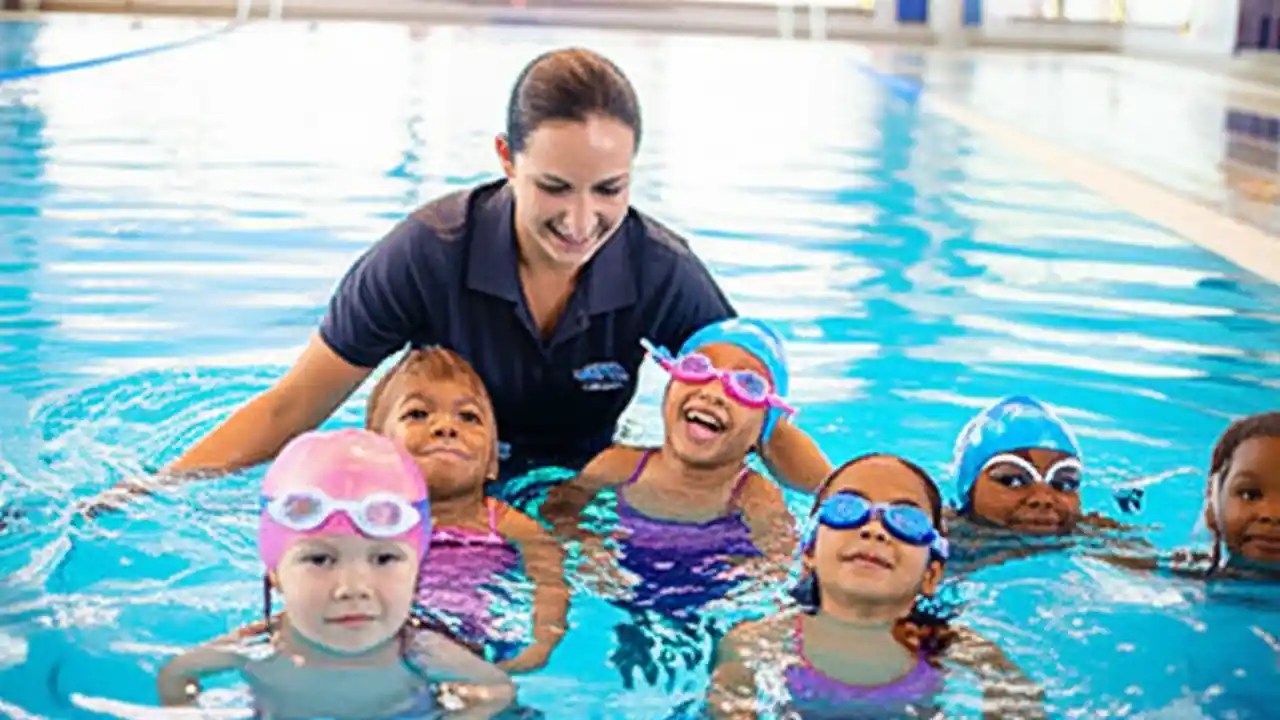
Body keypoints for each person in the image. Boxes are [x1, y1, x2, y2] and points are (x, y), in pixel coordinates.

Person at [84, 47, 828, 516]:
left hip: (577, 497)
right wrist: (149, 492)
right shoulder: (424, 256)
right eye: (555, 186)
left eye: (610, 189)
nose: (581, 220)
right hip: (436, 488)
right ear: (507, 157)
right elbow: (292, 405)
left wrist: (853, 507)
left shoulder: (658, 269)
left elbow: (755, 417)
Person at [156, 429, 515, 719]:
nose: (353, 588)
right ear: (276, 573)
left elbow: (497, 691)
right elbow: (176, 675)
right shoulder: (258, 647)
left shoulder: (424, 653)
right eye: (320, 560)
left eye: (385, 559)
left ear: (417, 569)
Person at [542, 318, 800, 689]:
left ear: (764, 427)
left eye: (747, 385)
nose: (714, 392)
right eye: (698, 368)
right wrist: (587, 546)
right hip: (621, 580)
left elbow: (780, 565)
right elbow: (561, 508)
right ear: (668, 388)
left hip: (713, 596)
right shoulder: (619, 465)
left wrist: (745, 580)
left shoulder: (753, 494)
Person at [708, 453, 1045, 719]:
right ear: (809, 553)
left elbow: (1021, 703)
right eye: (846, 509)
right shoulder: (756, 642)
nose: (873, 530)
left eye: (906, 520)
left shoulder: (959, 650)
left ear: (931, 574)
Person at [366, 347, 568, 672]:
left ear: (491, 461)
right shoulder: (367, 519)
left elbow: (550, 581)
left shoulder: (506, 524)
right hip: (384, 644)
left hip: (481, 650)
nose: (446, 427)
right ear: (374, 452)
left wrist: (542, 642)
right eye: (418, 414)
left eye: (468, 417)